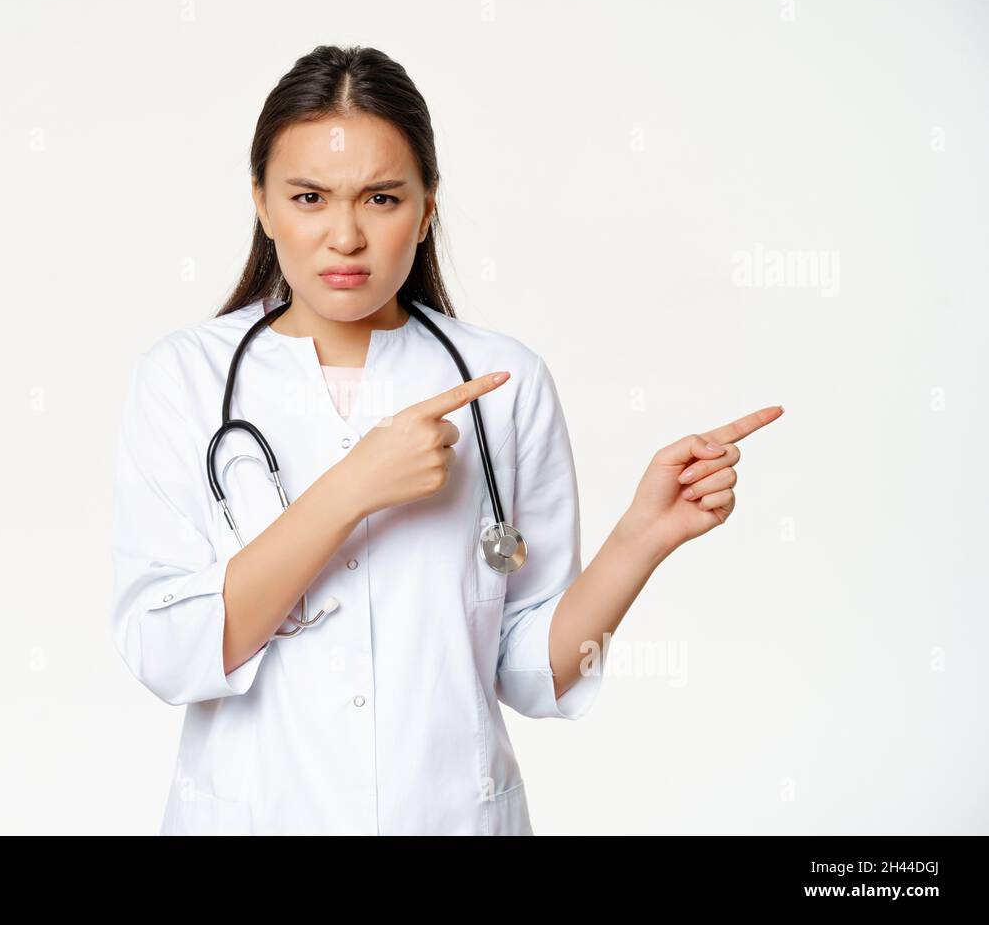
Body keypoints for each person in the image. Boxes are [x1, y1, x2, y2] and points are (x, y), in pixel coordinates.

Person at [109, 45, 783, 835]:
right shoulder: (183, 379)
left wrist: (642, 537)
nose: (346, 236)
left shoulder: (505, 381)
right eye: (310, 197)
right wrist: (352, 488)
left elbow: (533, 673)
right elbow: (166, 652)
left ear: (427, 207)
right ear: (261, 203)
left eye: (382, 199)